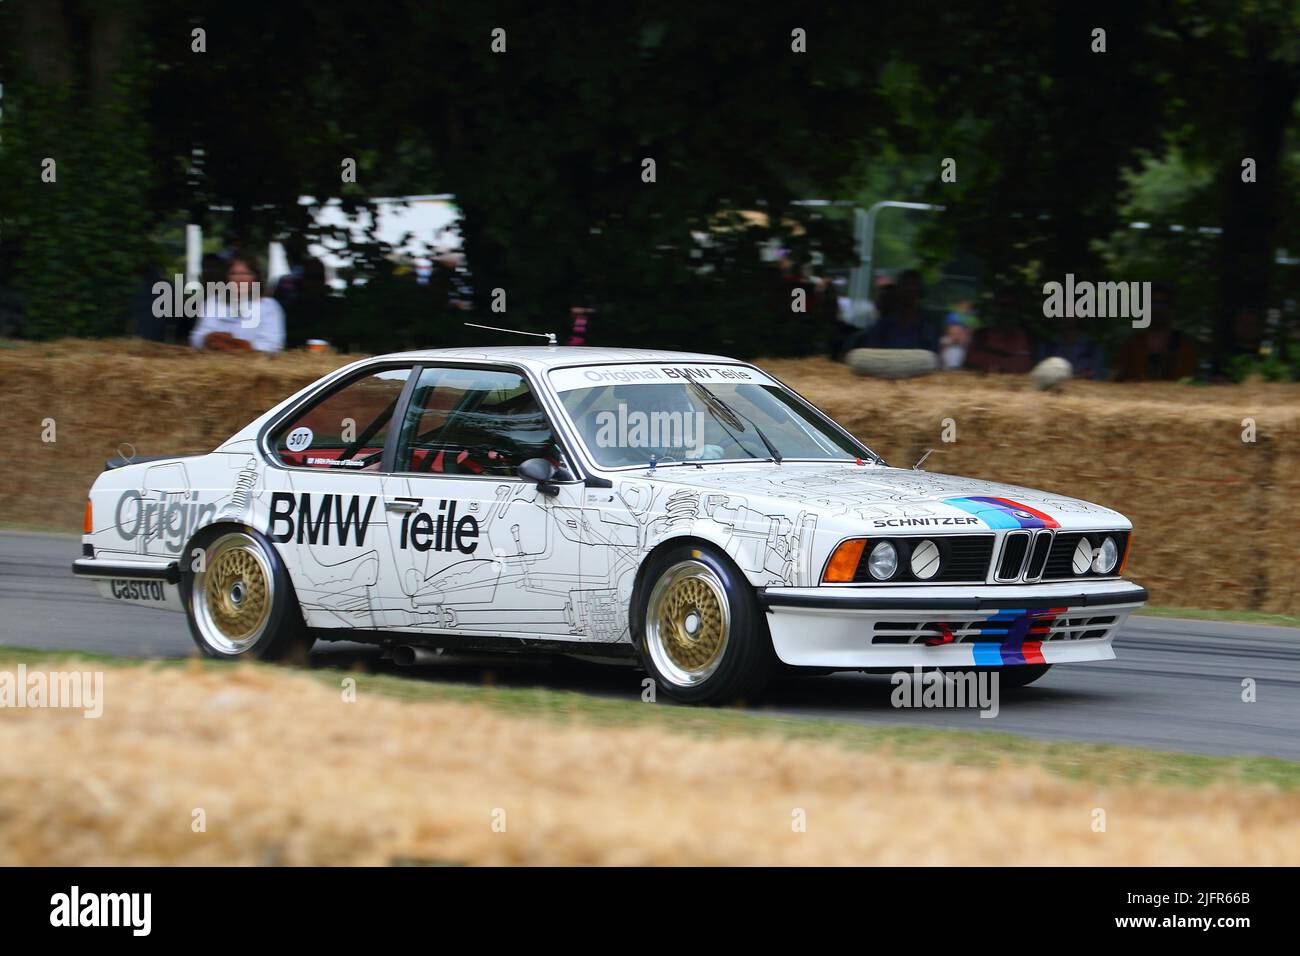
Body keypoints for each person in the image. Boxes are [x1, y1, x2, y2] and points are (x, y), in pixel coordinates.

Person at [189, 252, 286, 352]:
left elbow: (272, 344)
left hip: (254, 365)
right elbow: (197, 337)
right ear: (226, 277)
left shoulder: (268, 306)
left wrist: (237, 346)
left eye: (246, 273)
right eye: (234, 274)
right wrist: (208, 339)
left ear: (255, 277)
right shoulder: (213, 302)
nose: (240, 279)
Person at [1114, 284, 1196, 381]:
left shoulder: (1183, 345)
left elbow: (1188, 379)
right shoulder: (1132, 344)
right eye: (1153, 303)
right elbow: (1117, 377)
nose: (1157, 309)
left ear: (1171, 308)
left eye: (1163, 304)